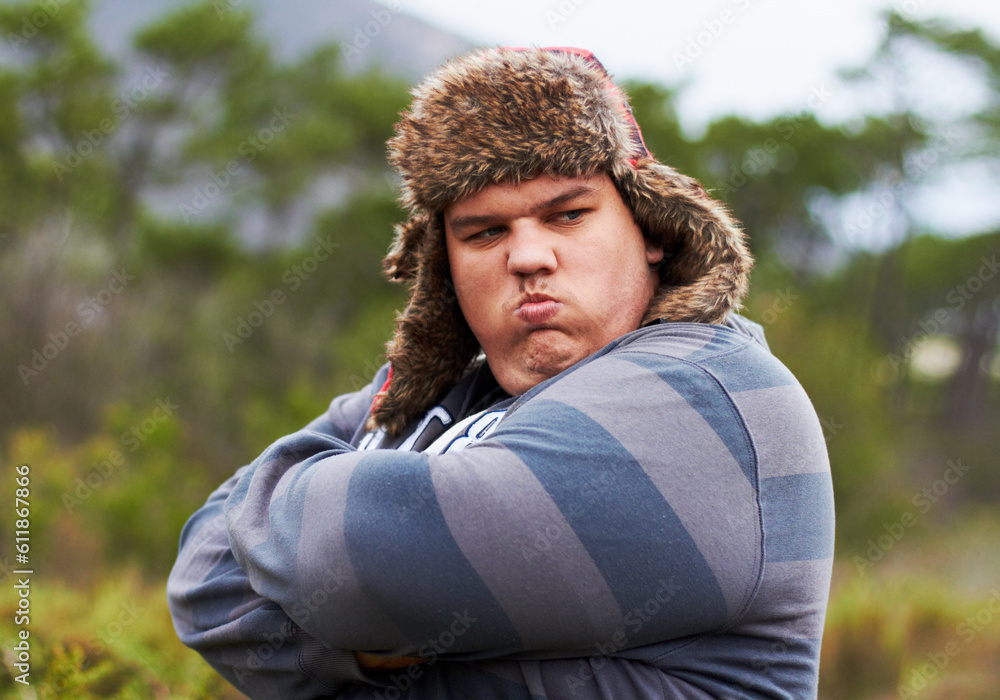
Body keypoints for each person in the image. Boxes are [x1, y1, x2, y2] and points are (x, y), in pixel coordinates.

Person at [167, 46, 835, 699]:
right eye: (484, 233)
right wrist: (379, 633)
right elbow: (203, 579)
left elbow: (355, 561)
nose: (528, 257)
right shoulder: (435, 395)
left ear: (651, 227)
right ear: (445, 265)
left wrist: (353, 624)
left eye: (567, 215)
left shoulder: (705, 392)